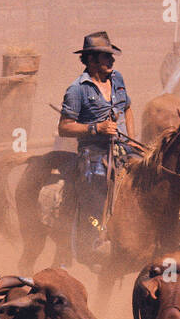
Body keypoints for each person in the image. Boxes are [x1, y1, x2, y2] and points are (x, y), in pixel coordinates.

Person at [58, 31, 137, 263]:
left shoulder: (117, 79)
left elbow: (128, 108)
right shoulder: (77, 90)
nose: (111, 61)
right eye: (105, 57)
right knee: (97, 191)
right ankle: (92, 246)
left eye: (111, 56)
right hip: (93, 153)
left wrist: (132, 139)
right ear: (90, 60)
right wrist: (96, 129)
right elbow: (64, 127)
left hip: (123, 147)